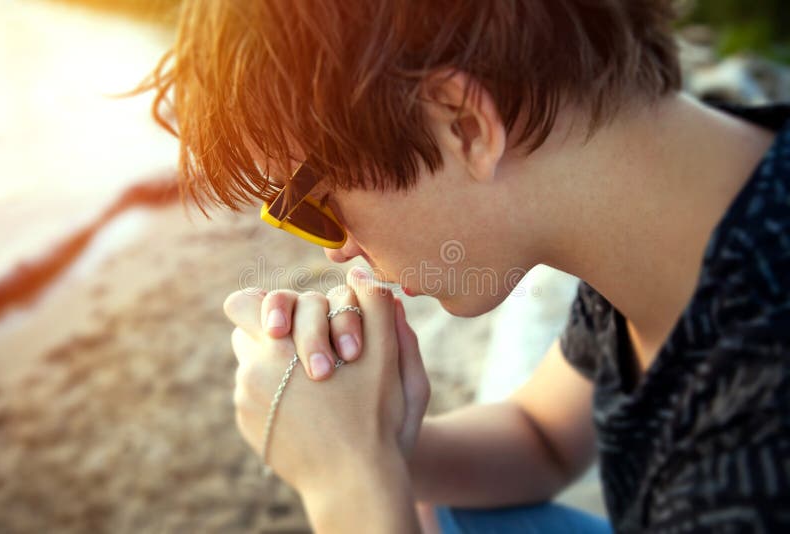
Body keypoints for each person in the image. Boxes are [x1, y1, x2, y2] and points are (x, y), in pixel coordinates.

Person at [142, 1, 790, 532]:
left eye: (315, 205)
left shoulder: (755, 451)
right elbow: (542, 437)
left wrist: (346, 484)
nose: (334, 250)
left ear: (464, 125)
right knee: (441, 507)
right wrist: (372, 437)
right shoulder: (685, 201)